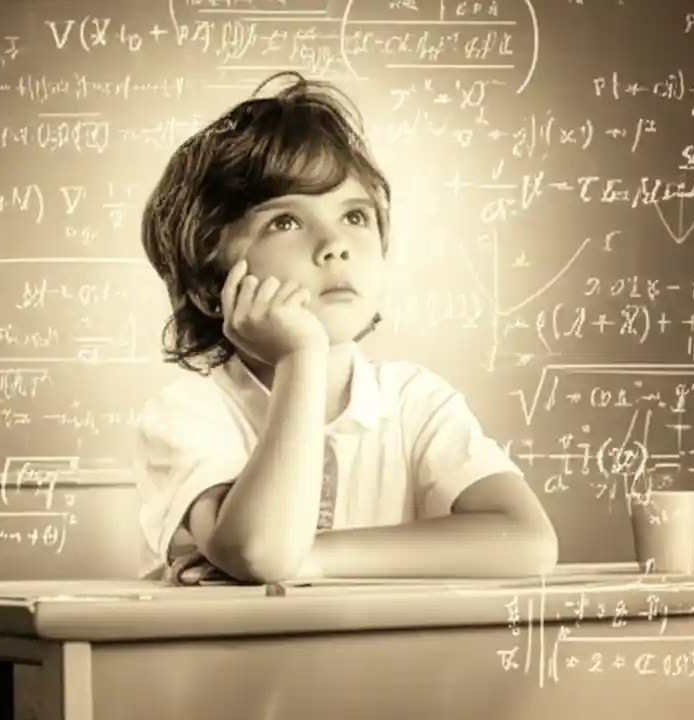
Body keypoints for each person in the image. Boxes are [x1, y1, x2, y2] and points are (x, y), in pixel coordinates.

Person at [135, 70, 558, 585]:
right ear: (209, 282)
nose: (335, 244)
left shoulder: (414, 401)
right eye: (285, 222)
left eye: (355, 217)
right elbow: (263, 552)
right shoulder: (189, 414)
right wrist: (300, 357)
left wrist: (312, 558)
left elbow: (528, 542)